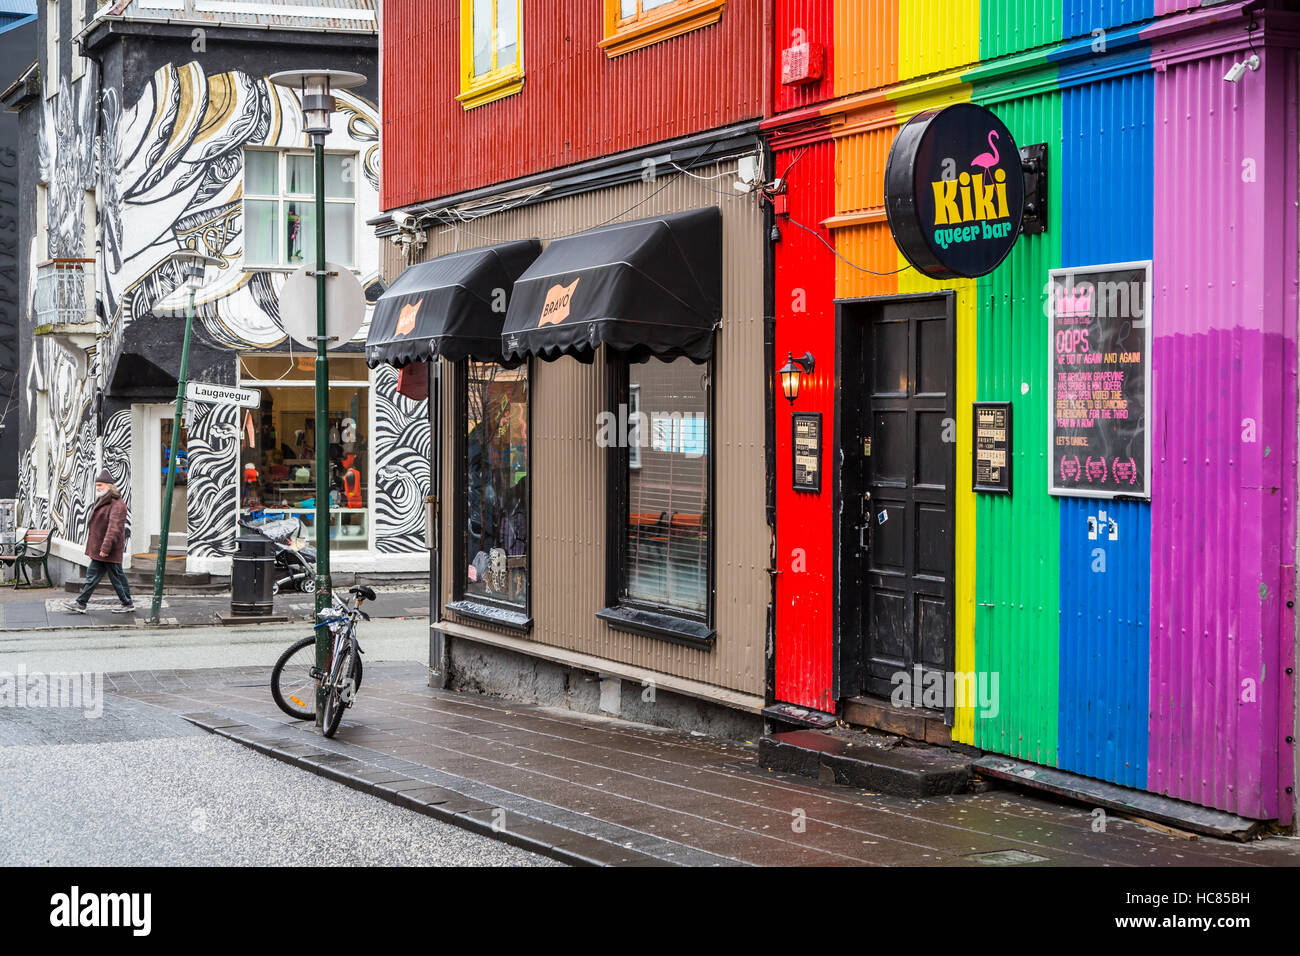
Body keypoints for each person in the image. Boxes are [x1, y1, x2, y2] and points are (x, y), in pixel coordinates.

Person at [63, 469, 135, 614]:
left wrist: (105, 548)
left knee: (115, 576)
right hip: (101, 548)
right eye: (97, 485)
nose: (98, 488)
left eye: (101, 485)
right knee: (94, 575)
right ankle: (81, 603)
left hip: (108, 549)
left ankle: (127, 603)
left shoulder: (117, 504)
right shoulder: (104, 500)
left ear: (110, 486)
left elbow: (113, 528)